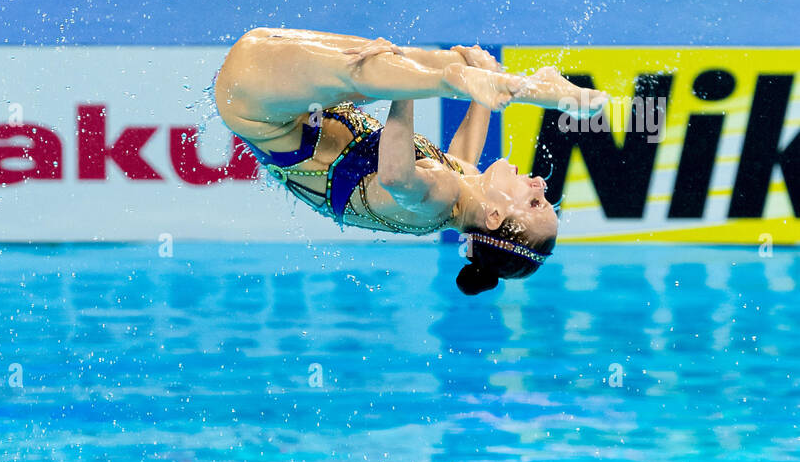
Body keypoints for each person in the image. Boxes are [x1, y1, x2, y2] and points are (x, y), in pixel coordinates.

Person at [215, 29, 607, 295]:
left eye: (535, 202)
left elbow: (396, 176)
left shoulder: (437, 200)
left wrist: (405, 90)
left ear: (493, 217)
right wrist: (484, 75)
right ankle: (513, 84)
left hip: (260, 108)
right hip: (290, 102)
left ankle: (513, 86)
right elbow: (468, 142)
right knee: (418, 62)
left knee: (385, 68)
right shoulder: (464, 184)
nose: (540, 184)